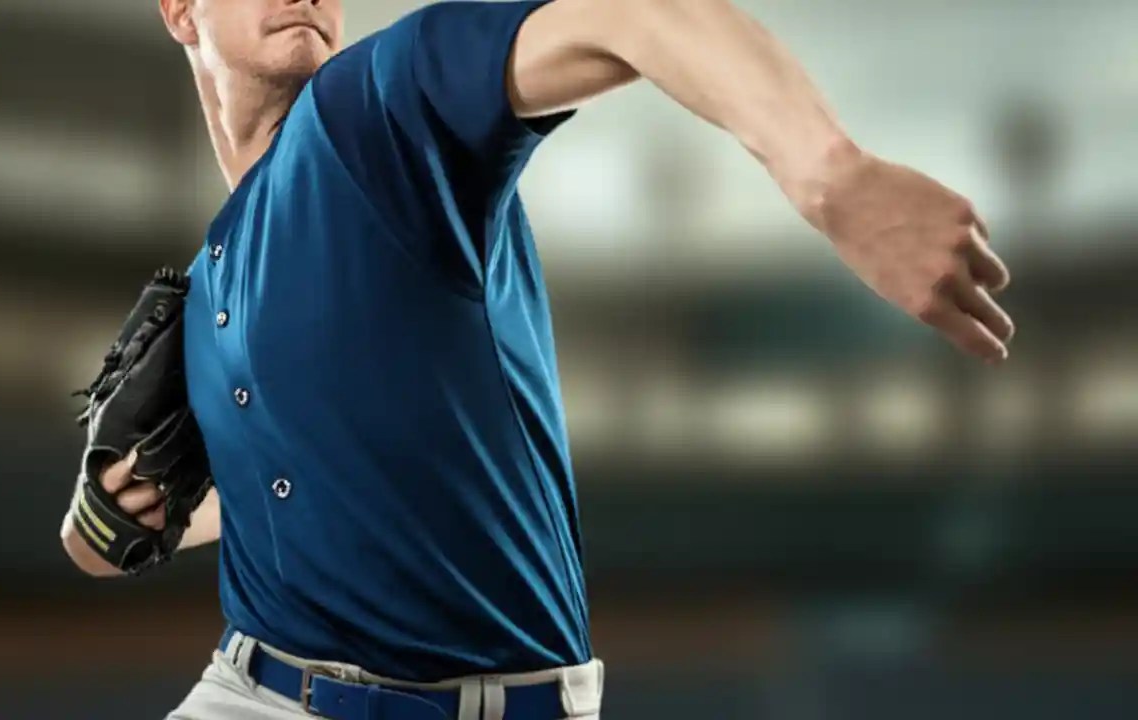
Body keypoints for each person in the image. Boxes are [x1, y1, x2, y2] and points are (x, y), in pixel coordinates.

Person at [60, 1, 1016, 718]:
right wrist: (112, 519)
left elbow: (631, 12)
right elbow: (259, 499)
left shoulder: (373, 119)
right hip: (254, 691)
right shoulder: (210, 276)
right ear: (180, 7)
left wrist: (829, 173)